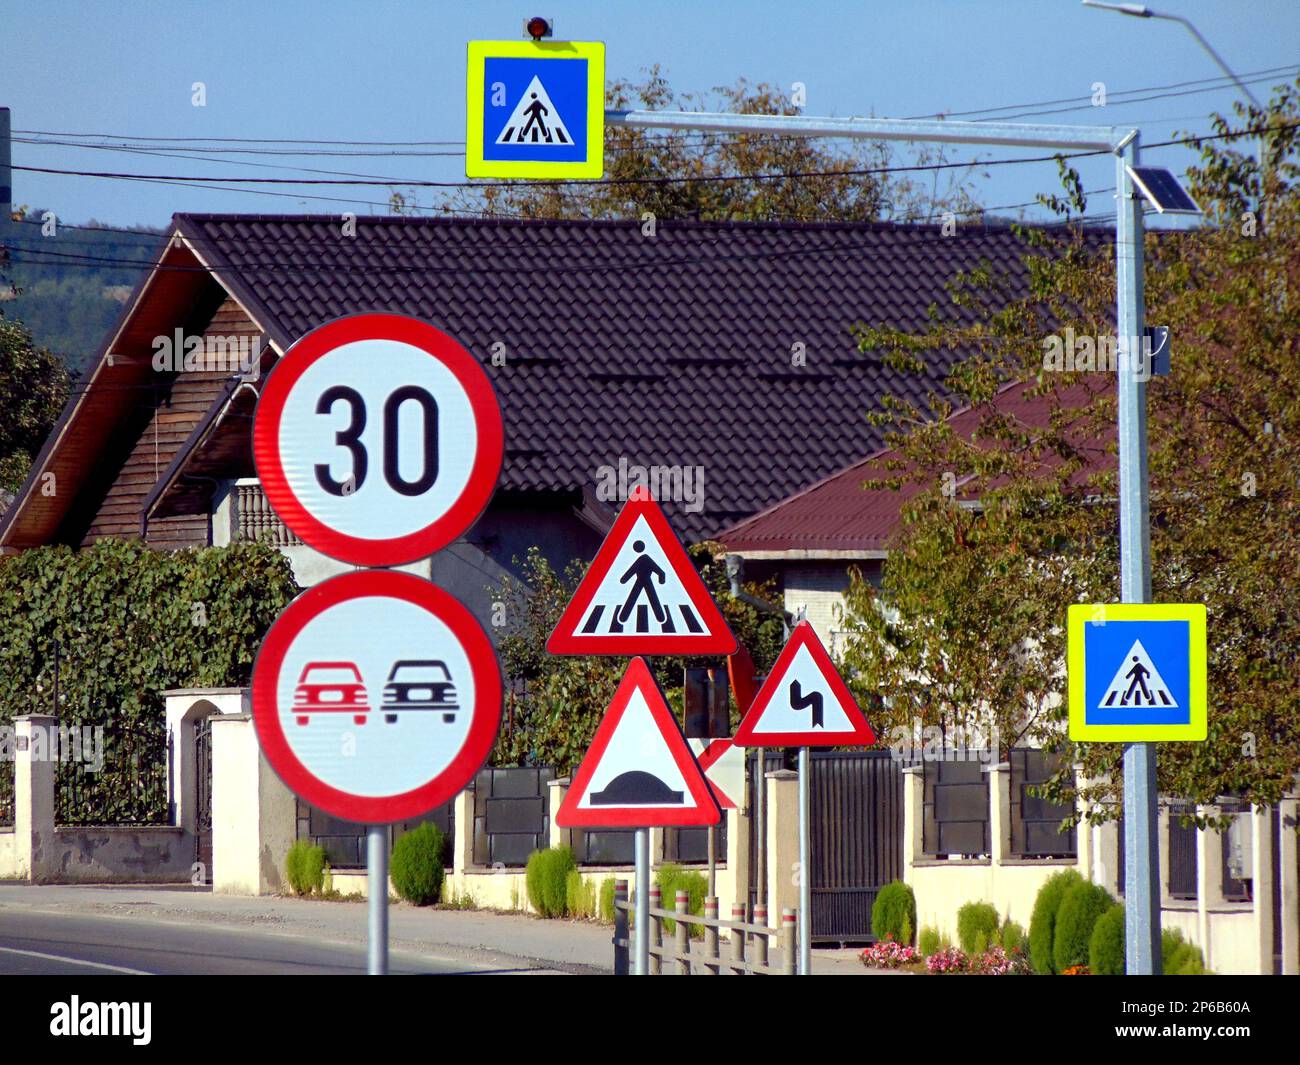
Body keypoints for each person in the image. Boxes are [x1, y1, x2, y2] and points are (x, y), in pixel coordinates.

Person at [616, 540, 667, 628]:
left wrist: (624, 580)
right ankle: (661, 618)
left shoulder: (643, 559)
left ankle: (623, 618)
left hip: (643, 581)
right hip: (643, 581)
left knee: (634, 598)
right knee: (651, 598)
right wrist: (661, 579)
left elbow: (632, 570)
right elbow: (660, 572)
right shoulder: (645, 559)